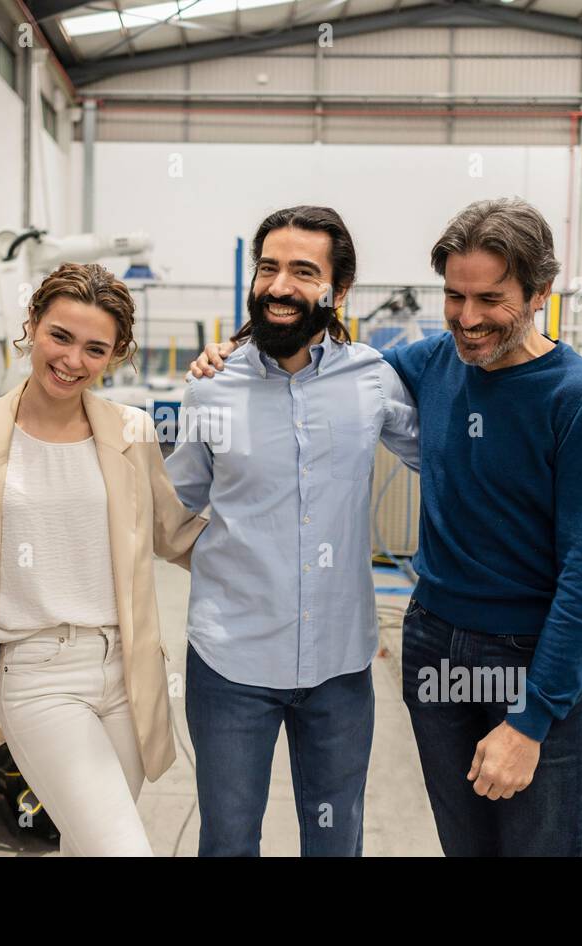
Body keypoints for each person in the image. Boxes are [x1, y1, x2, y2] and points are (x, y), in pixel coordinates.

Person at [189, 196, 582, 856]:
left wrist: (531, 720)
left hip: (531, 652)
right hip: (434, 643)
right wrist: (240, 349)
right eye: (455, 296)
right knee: (468, 844)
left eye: (490, 299)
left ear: (542, 292)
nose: (469, 318)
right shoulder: (433, 363)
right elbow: (319, 371)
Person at [0, 262, 206, 856]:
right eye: (60, 336)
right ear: (32, 324)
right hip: (38, 677)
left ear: (115, 355)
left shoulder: (131, 432)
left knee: (89, 846)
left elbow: (177, 534)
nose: (72, 360)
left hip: (127, 675)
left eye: (95, 348)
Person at [166, 206, 420, 856]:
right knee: (228, 841)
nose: (280, 286)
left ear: (337, 291)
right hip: (230, 663)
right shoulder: (211, 387)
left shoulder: (372, 379)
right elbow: (170, 504)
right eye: (269, 268)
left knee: (337, 843)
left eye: (303, 271)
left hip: (339, 665)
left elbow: (446, 455)